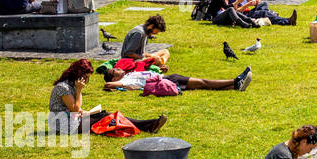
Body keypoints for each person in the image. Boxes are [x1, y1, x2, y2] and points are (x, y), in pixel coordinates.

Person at [50, 60, 166, 136]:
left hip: (72, 119)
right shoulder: (64, 88)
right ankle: (148, 125)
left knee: (107, 115)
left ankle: (148, 124)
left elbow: (75, 109)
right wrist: (79, 90)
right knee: (108, 118)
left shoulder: (72, 85)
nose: (85, 81)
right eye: (84, 77)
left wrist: (85, 112)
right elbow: (74, 109)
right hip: (64, 125)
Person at [99, 57, 252, 93]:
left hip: (167, 78)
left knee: (202, 84)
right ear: (114, 77)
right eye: (115, 70)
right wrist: (115, 84)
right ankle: (235, 80)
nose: (118, 68)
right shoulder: (124, 81)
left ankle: (234, 86)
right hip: (166, 82)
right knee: (202, 82)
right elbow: (107, 85)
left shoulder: (129, 74)